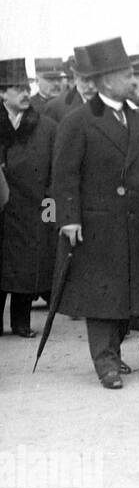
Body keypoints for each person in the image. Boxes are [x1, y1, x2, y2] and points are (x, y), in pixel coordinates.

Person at [50, 38, 139, 387]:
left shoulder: (136, 118)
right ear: (105, 81)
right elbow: (64, 175)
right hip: (100, 224)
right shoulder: (79, 121)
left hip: (137, 220)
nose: (133, 80)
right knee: (102, 295)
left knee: (136, 288)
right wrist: (69, 218)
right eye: (126, 74)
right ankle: (106, 363)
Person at [0, 58, 57, 337]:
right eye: (16, 88)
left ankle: (21, 323)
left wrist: (50, 210)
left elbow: (55, 173)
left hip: (32, 208)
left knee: (26, 265)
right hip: (2, 209)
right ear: (2, 94)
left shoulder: (45, 127)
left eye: (26, 87)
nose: (25, 93)